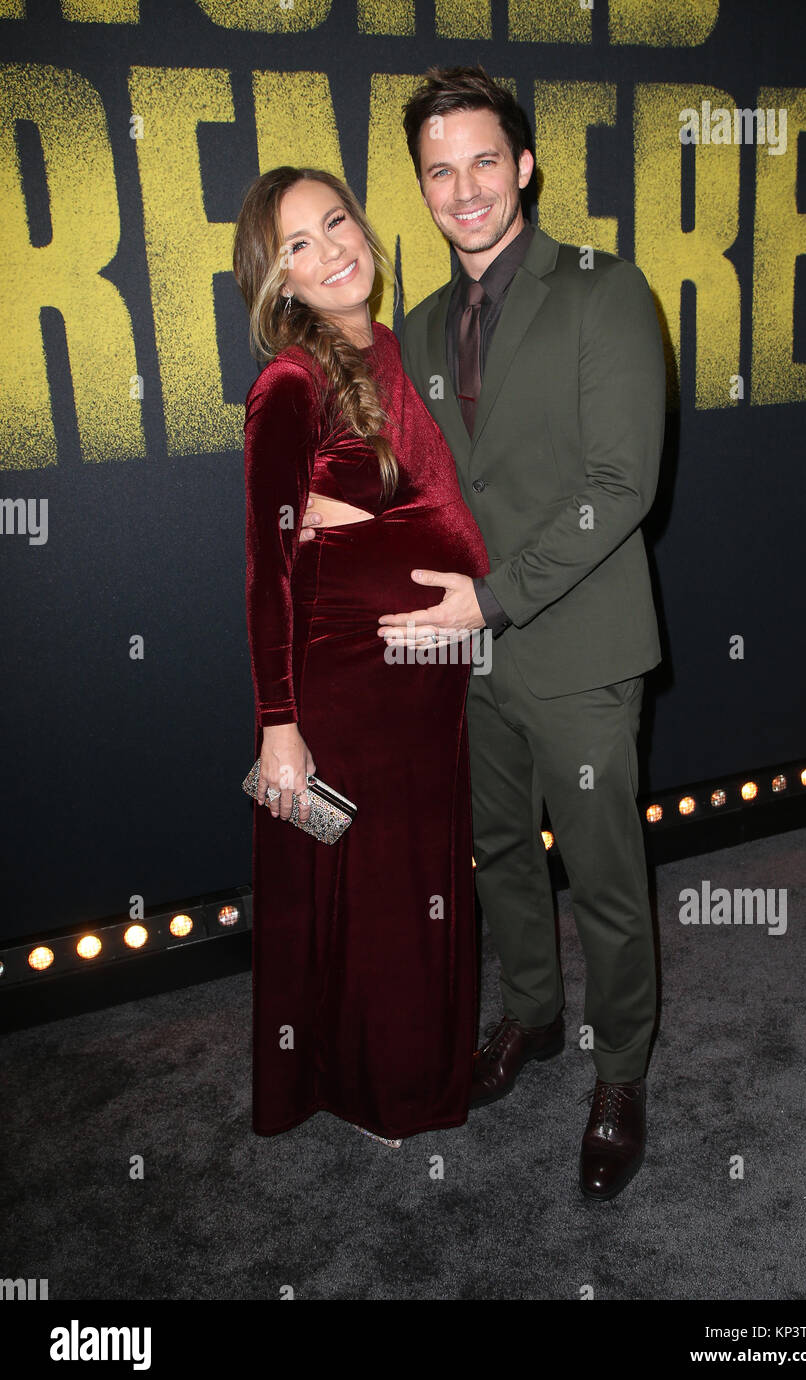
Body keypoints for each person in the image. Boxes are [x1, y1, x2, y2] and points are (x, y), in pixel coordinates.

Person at [302, 67, 666, 1199]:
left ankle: (620, 1073)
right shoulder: (408, 327)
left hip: (575, 645)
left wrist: (493, 597)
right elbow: (409, 481)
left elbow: (622, 485)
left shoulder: (604, 290)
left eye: (482, 161)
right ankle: (533, 1018)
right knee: (499, 851)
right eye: (437, 168)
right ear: (420, 184)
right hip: (460, 654)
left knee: (603, 875)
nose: (462, 188)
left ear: (524, 167)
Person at [233, 166, 490, 1146]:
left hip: (426, 686)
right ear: (279, 281)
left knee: (424, 879)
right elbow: (267, 571)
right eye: (297, 244)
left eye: (335, 220)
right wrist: (279, 726)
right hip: (346, 689)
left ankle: (419, 1066)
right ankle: (380, 1092)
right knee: (377, 894)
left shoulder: (395, 346)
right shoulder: (288, 384)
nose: (331, 248)